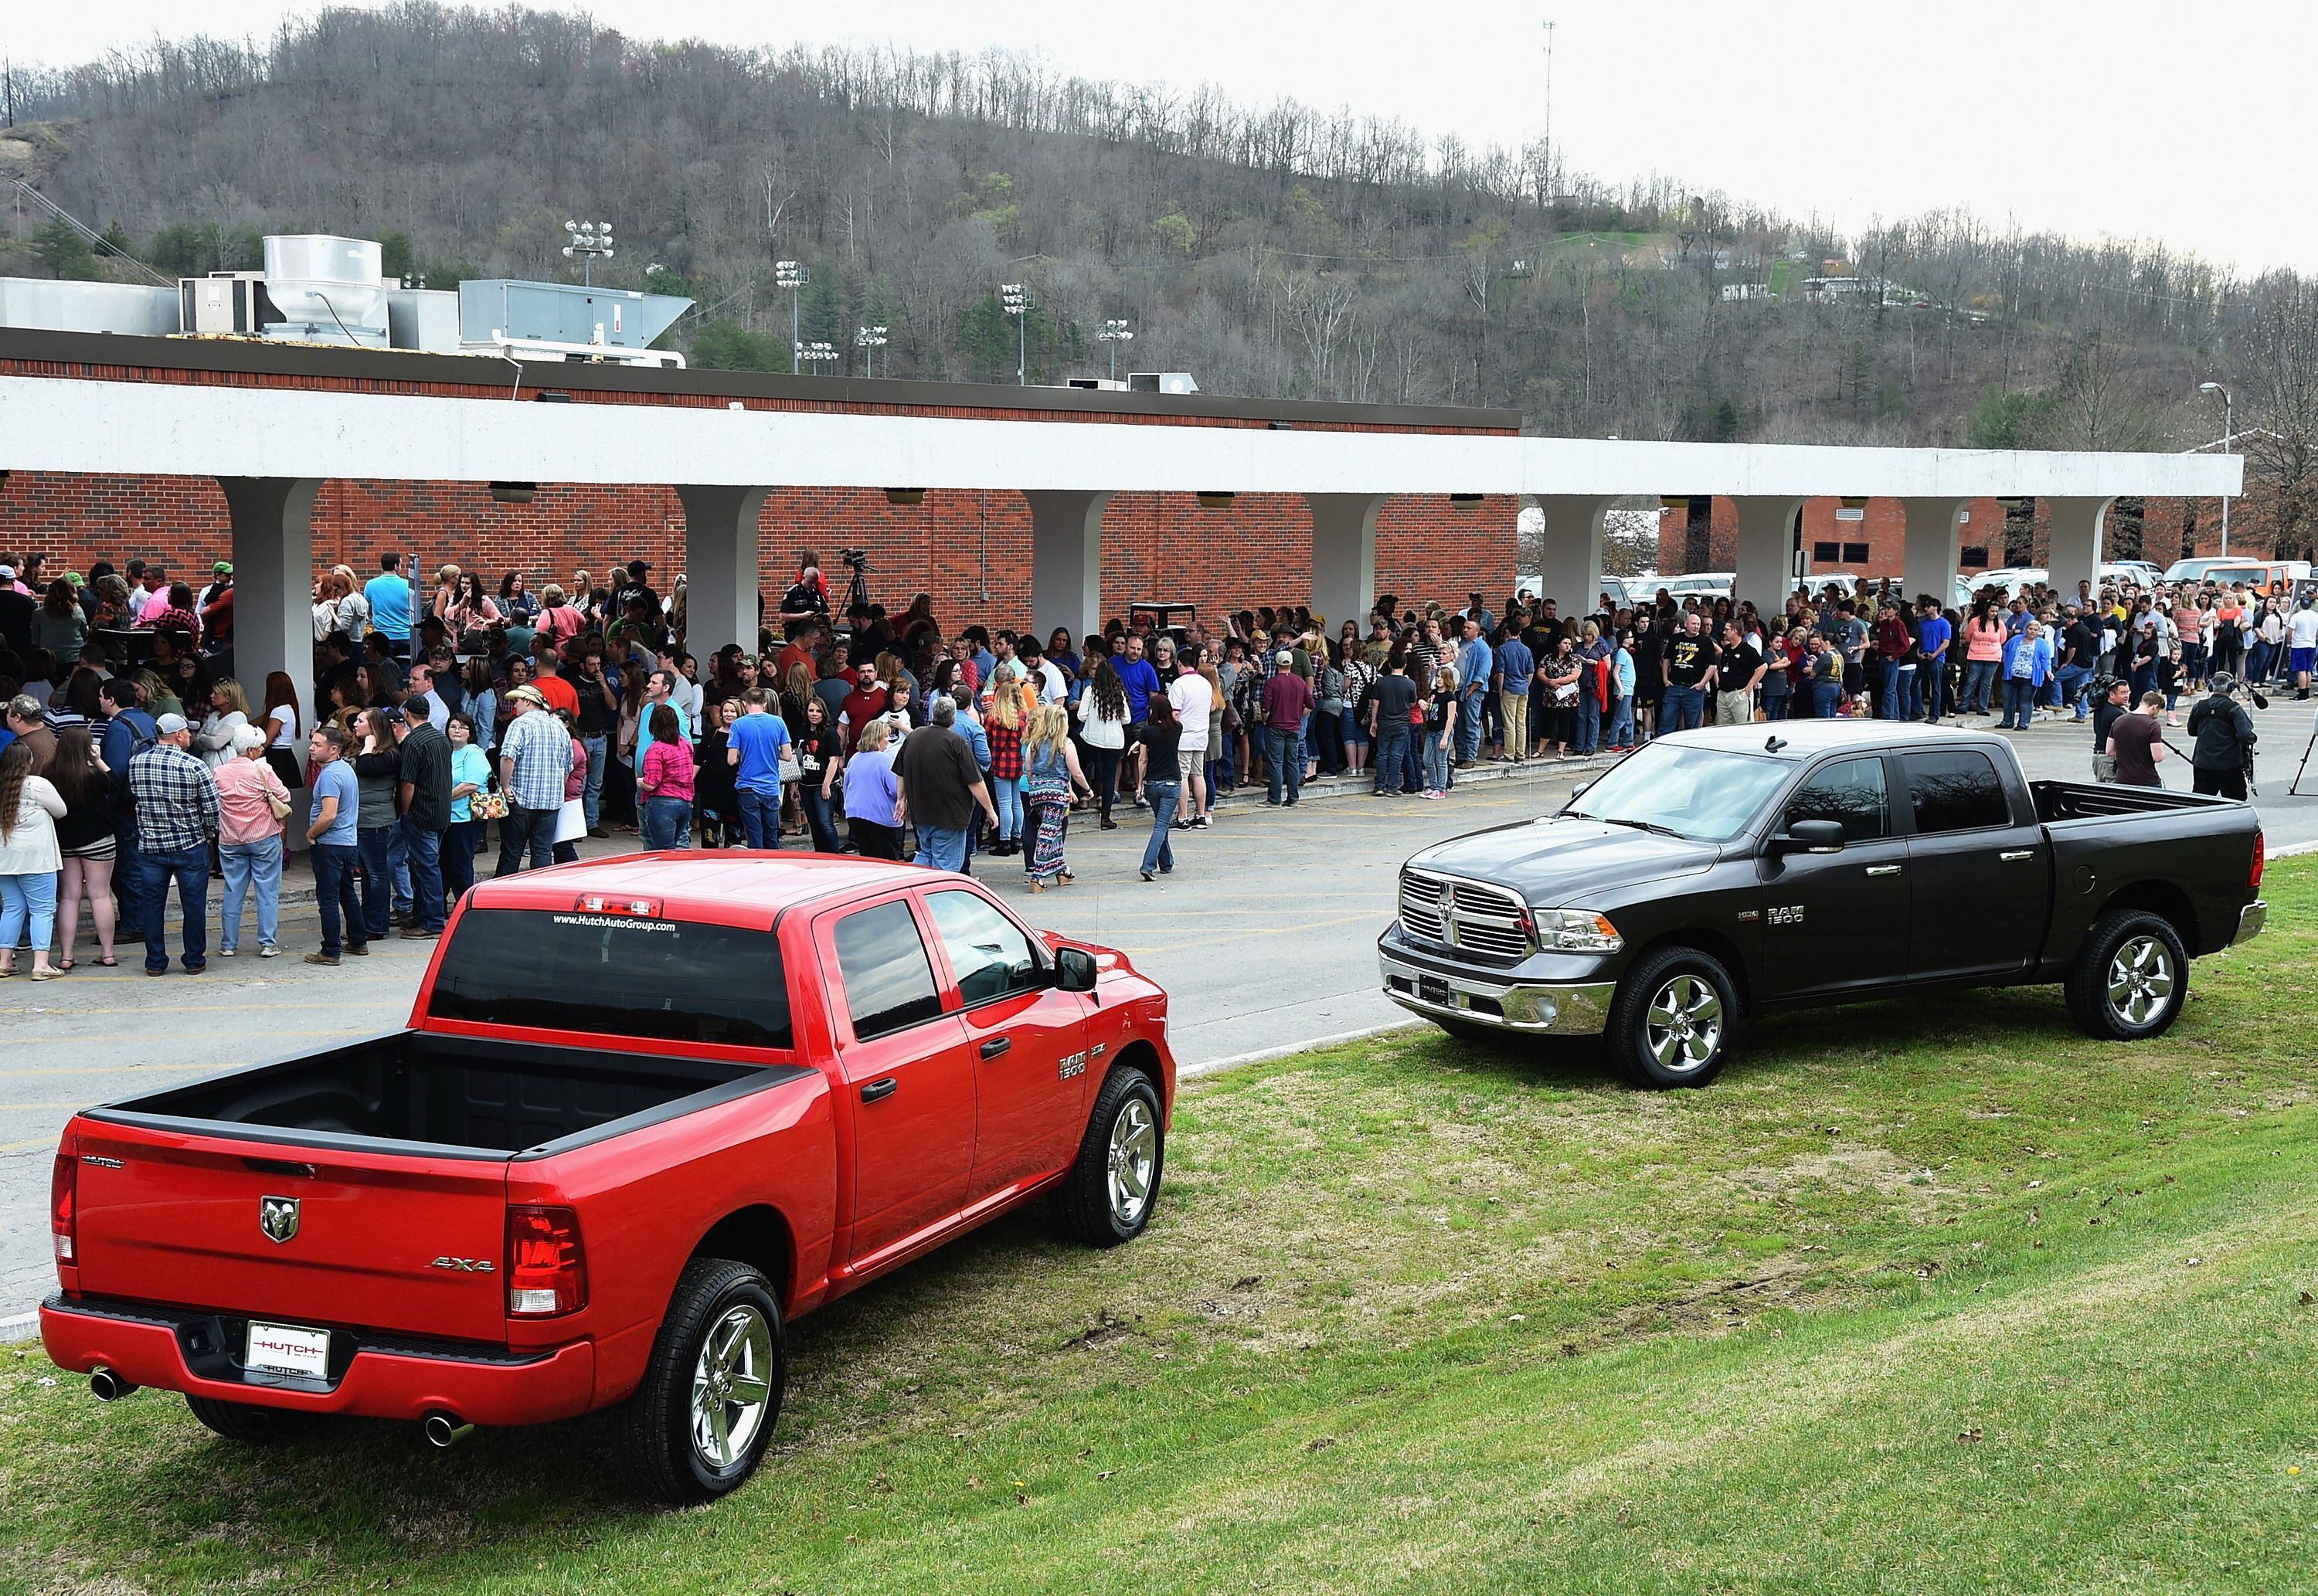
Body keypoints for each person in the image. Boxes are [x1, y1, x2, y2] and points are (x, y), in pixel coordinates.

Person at [126, 711, 220, 976]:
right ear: (178, 735)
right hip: (189, 843)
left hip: (152, 845)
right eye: (188, 732)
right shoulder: (195, 766)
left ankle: (155, 961)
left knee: (152, 906)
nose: (190, 735)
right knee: (193, 906)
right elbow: (213, 809)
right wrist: (208, 833)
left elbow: (135, 797)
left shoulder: (137, 763)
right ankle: (193, 959)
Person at [896, 695, 999, 874]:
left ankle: (921, 892)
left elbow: (901, 772)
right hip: (950, 816)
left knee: (925, 856)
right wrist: (990, 810)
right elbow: (975, 781)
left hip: (921, 812)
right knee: (946, 868)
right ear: (953, 718)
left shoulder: (914, 737)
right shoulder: (955, 741)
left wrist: (901, 799)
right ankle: (937, 899)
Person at [213, 725, 291, 959]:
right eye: (258, 748)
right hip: (263, 837)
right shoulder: (263, 770)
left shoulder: (219, 772)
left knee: (233, 890)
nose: (260, 751)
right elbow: (284, 796)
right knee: (267, 891)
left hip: (231, 839)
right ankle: (267, 943)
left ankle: (228, 944)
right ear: (250, 750)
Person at [47, 728, 117, 970]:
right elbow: (116, 785)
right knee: (100, 895)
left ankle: (66, 955)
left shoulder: (49, 773)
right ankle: (107, 953)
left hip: (65, 841)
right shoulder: (93, 775)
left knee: (69, 896)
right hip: (98, 838)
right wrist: (98, 760)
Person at [0, 742, 66, 980]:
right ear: (29, 762)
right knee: (42, 910)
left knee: (12, 908)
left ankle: (4, 961)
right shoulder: (38, 785)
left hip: (5, 860)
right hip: (37, 860)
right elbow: (61, 811)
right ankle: (41, 965)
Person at [495, 685, 572, 874]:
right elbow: (568, 766)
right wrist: (558, 789)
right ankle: (540, 897)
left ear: (528, 702)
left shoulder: (520, 724)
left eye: (517, 701)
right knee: (543, 852)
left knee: (512, 851)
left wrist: (505, 787)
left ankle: (503, 898)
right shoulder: (559, 727)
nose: (516, 705)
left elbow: (507, 757)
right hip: (550, 802)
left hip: (522, 799)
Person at [396, 695, 454, 935]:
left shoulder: (413, 742)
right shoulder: (441, 739)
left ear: (408, 714)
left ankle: (431, 921)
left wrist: (406, 810)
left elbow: (408, 783)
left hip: (421, 812)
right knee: (425, 865)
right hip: (441, 811)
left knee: (426, 867)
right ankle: (421, 916)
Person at [1021, 702, 1092, 890]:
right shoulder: (1065, 744)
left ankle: (1062, 871)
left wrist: (1038, 785)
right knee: (1048, 833)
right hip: (1057, 792)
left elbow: (1028, 770)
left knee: (1055, 830)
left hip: (1036, 791)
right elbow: (1076, 772)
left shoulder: (1034, 743)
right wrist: (1087, 790)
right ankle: (1038, 876)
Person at [727, 688, 792, 850]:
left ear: (744, 703)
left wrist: (746, 754)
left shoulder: (738, 725)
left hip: (747, 786)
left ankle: (757, 868)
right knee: (771, 833)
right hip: (770, 787)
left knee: (754, 834)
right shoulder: (778, 722)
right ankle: (773, 867)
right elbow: (788, 756)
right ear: (764, 703)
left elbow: (731, 760)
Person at [1073, 660, 1130, 829]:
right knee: (1109, 778)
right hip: (1113, 741)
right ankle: (1105, 817)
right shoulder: (1118, 692)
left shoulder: (1090, 691)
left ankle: (1078, 798)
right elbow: (1127, 719)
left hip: (1091, 738)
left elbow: (1081, 716)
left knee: (1079, 767)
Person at [2184, 674, 2257, 800]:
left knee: (2200, 804)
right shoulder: (2234, 709)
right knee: (2235, 804)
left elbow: (2192, 731)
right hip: (2230, 765)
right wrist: (2252, 738)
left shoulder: (2200, 707)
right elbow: (2245, 735)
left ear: (2211, 687)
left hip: (2203, 763)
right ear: (2230, 688)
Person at [443, 711, 490, 904]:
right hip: (447, 818)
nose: (457, 730)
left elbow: (470, 785)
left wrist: (441, 799)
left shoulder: (474, 753)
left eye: (463, 727)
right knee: (443, 863)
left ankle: (467, 905)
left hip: (465, 818)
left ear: (470, 732)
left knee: (460, 864)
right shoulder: (446, 751)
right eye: (453, 726)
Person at [843, 718, 906, 860]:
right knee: (888, 863)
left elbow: (846, 787)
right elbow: (896, 790)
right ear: (877, 738)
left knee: (869, 859)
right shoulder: (885, 760)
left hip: (856, 815)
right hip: (881, 818)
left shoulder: (854, 758)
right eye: (886, 736)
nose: (888, 740)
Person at [1136, 694, 1184, 881]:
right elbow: (1172, 724)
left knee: (1160, 824)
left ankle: (1166, 862)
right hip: (1172, 783)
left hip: (1152, 784)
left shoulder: (1147, 732)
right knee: (1161, 825)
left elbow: (1143, 760)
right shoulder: (1177, 729)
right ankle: (1148, 865)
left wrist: (1140, 783)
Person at [636, 703, 696, 851]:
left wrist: (640, 781)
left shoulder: (656, 749)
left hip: (662, 803)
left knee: (663, 851)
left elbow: (651, 784)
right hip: (685, 803)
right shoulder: (685, 745)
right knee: (675, 846)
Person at [1259, 649, 1314, 806]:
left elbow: (1265, 708)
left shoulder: (1272, 683)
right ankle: (1293, 798)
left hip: (1276, 726)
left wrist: (1265, 719)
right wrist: (1299, 714)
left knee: (1276, 763)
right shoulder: (1300, 682)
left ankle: (1275, 798)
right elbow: (1311, 705)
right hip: (1294, 726)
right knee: (1292, 762)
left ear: (1277, 664)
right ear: (1291, 663)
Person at [1168, 649, 1215, 828]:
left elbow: (1175, 714)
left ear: (1180, 663)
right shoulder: (1205, 683)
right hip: (1202, 735)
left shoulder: (1179, 684)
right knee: (1198, 775)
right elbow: (1211, 706)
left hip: (1184, 737)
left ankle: (1183, 817)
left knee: (1182, 777)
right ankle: (1201, 815)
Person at [794, 694, 845, 853]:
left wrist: (826, 785)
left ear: (823, 713)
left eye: (818, 711)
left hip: (823, 785)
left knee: (825, 823)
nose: (814, 714)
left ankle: (834, 856)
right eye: (811, 710)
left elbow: (834, 760)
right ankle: (821, 855)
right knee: (814, 825)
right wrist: (795, 784)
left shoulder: (829, 733)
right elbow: (798, 757)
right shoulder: (801, 731)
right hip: (805, 785)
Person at [1368, 653, 1419, 796]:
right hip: (1402, 723)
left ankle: (1379, 786)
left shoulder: (1382, 682)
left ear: (1389, 665)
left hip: (1384, 722)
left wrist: (1374, 721)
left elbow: (1375, 703)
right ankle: (1392, 787)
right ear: (1405, 665)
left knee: (1382, 754)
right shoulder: (1410, 684)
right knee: (1397, 755)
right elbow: (1413, 702)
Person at [1997, 620, 2054, 732]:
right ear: (2026, 629)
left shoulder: (2042, 644)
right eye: (2030, 629)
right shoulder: (2015, 639)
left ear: (2039, 631)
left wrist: (2048, 671)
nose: (2032, 631)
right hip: (2012, 675)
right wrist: (2006, 661)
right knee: (2008, 700)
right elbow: (2006, 649)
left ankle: (2023, 723)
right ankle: (2007, 722)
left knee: (2025, 701)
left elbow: (2046, 660)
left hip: (2030, 677)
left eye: (2035, 630)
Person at [1661, 614, 1711, 732]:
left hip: (1694, 689)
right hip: (1674, 686)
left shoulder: (1705, 642)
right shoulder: (1675, 639)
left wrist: (1702, 684)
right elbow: (1666, 659)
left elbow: (1713, 666)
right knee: (1666, 722)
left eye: (1698, 624)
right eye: (1693, 624)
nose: (1696, 627)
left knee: (1693, 727)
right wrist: (1665, 678)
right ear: (1686, 624)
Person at [2107, 691, 2167, 788]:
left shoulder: (2118, 721)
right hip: (2147, 780)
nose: (2156, 714)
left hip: (2122, 779)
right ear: (2155, 707)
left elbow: (2109, 751)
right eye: (2158, 711)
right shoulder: (2152, 726)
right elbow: (2158, 757)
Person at [1713, 621, 1765, 725]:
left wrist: (1751, 684)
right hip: (1723, 693)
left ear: (1735, 631)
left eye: (1727, 629)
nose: (1724, 632)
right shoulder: (1726, 649)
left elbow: (1763, 666)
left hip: (1739, 693)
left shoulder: (1747, 650)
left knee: (1743, 726)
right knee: (1723, 726)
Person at [366, 552, 414, 657]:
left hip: (382, 636)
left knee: (384, 669)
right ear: (396, 566)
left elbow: (368, 607)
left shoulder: (371, 585)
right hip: (405, 635)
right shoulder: (408, 585)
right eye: (400, 565)